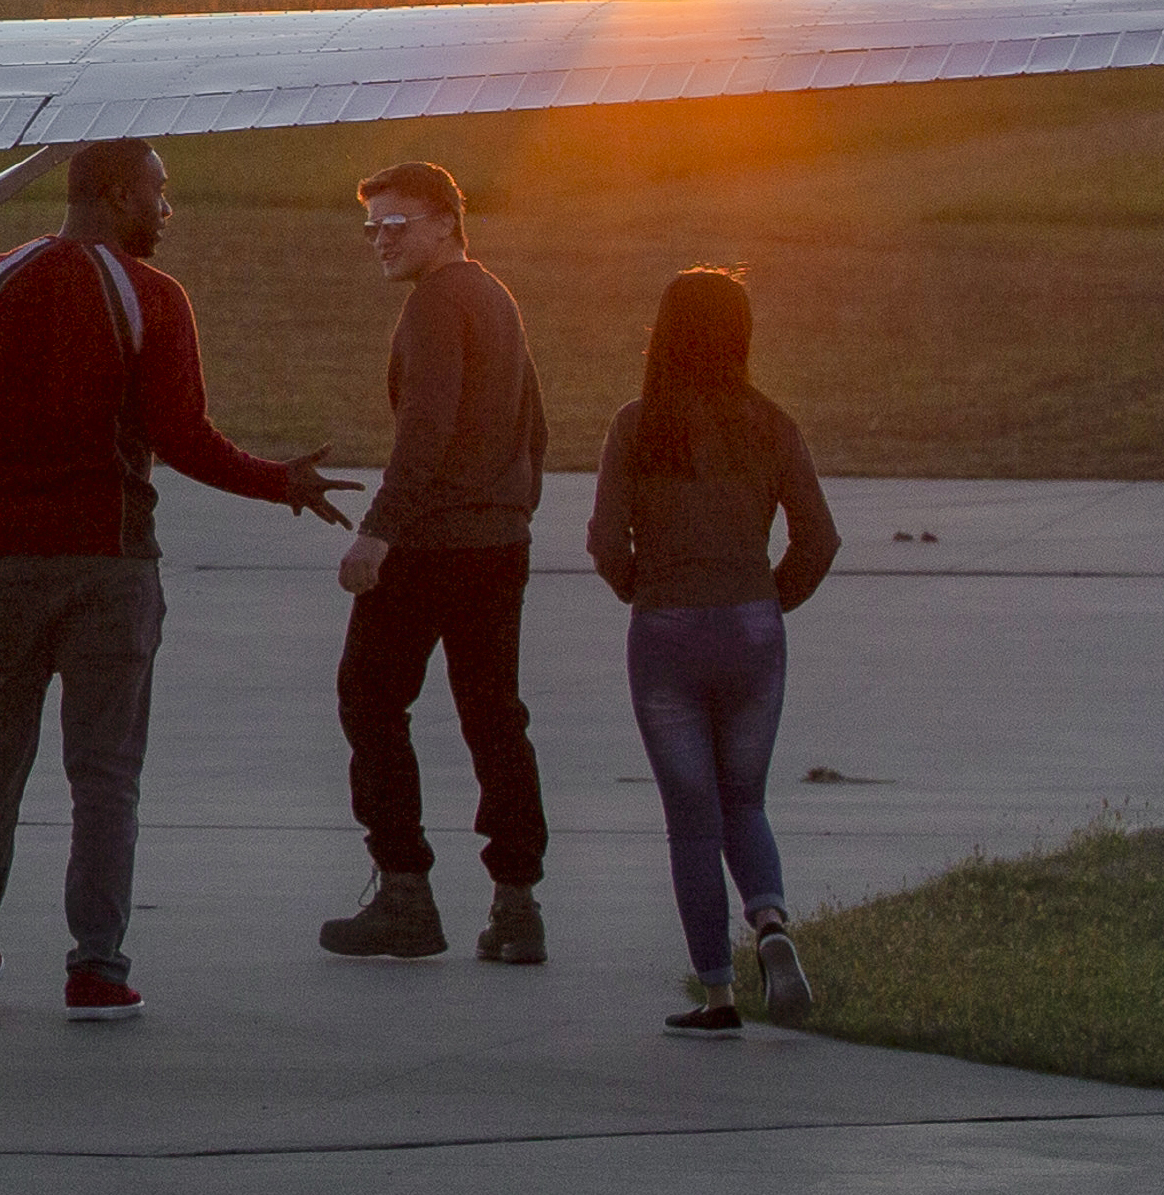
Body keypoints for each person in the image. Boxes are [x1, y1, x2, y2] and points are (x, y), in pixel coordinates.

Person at [0, 135, 351, 1023]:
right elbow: (184, 437)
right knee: (104, 777)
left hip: (0, 567)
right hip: (109, 566)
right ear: (116, 195)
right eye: (158, 191)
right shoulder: (152, 298)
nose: (167, 209)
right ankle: (96, 970)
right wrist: (281, 482)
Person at [588, 267, 840, 1034]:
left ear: (663, 334)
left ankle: (719, 995)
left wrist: (641, 587)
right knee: (745, 800)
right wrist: (768, 598)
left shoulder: (638, 426)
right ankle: (771, 922)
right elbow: (819, 537)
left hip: (665, 629)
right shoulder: (772, 424)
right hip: (752, 628)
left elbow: (605, 540)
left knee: (692, 820)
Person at [324, 159, 553, 964]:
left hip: (429, 546)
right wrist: (511, 508)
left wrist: (376, 533)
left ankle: (405, 892)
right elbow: (535, 427)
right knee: (494, 716)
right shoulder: (495, 296)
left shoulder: (435, 304)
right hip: (497, 546)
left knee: (370, 701)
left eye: (396, 224)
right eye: (371, 228)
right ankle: (517, 904)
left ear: (447, 223)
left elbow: (425, 429)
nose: (380, 240)